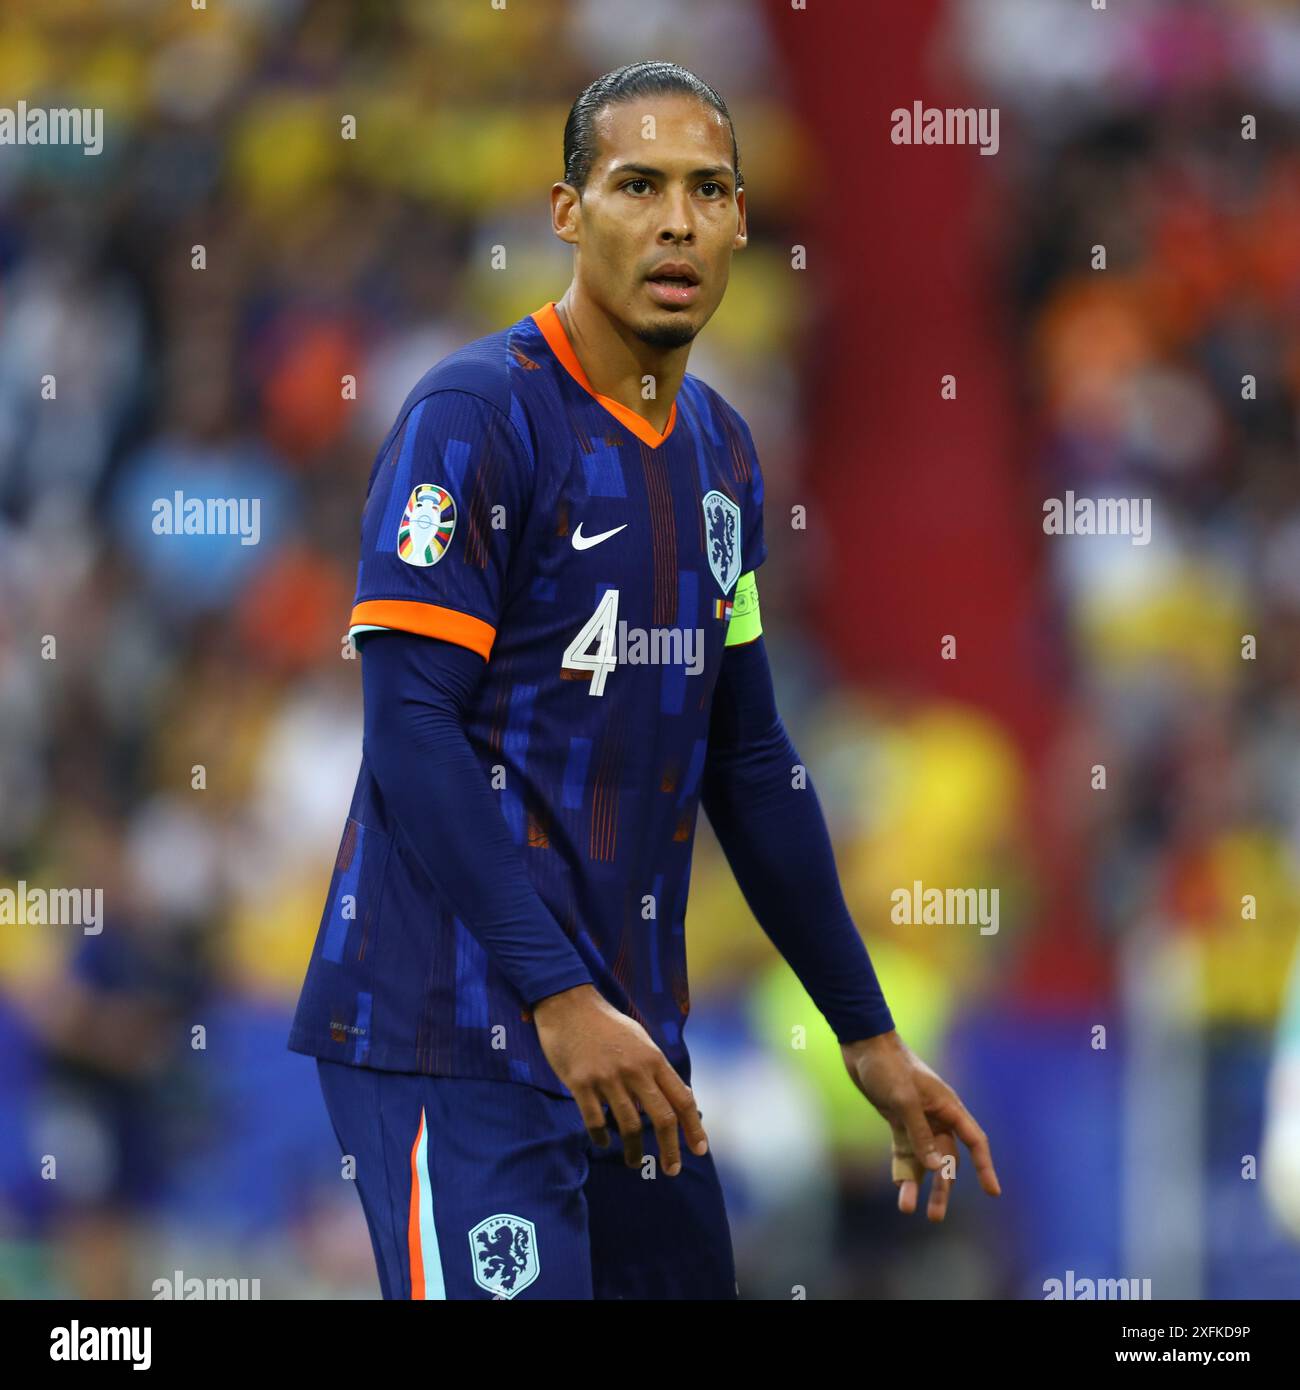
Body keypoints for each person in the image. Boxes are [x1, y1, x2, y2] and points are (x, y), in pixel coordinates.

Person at [288, 59, 1000, 1300]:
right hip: (452, 1031)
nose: (675, 219)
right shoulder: (471, 417)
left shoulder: (722, 451)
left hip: (631, 1045)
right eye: (637, 185)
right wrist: (556, 997)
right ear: (567, 213)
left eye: (707, 188)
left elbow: (752, 761)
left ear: (737, 222)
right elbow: (408, 727)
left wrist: (866, 1032)